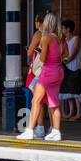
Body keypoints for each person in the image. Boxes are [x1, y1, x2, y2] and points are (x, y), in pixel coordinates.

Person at [17, 13, 67, 142]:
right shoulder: (61, 38)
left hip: (48, 71)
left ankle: (29, 131)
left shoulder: (46, 38)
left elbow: (43, 58)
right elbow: (66, 55)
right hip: (59, 71)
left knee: (36, 101)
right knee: (54, 102)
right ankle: (56, 132)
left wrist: (40, 52)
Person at [23, 15, 48, 138]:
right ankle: (52, 129)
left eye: (36, 21)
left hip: (37, 69)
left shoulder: (39, 34)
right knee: (50, 101)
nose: (35, 23)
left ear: (40, 22)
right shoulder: (53, 35)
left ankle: (39, 126)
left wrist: (31, 50)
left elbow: (29, 52)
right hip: (50, 69)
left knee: (36, 100)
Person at [59, 20, 81, 121]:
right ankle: (70, 112)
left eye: (63, 28)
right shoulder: (64, 40)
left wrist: (63, 60)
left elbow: (72, 55)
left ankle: (79, 113)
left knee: (76, 91)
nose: (62, 30)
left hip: (75, 68)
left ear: (68, 29)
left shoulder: (76, 39)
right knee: (68, 91)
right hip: (66, 68)